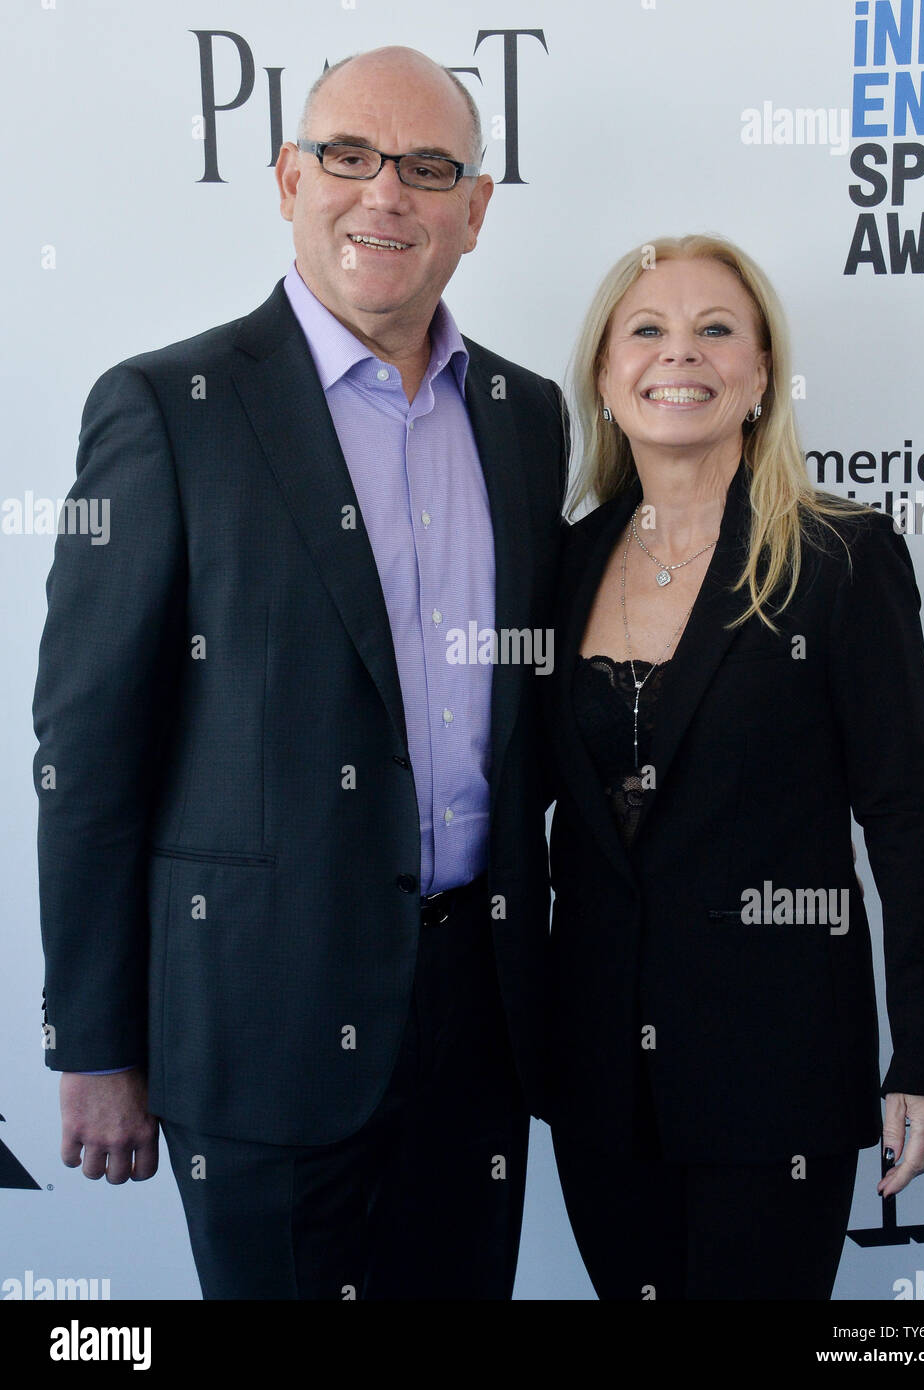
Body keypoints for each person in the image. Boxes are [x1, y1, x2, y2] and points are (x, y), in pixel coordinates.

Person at [32, 46, 567, 1300]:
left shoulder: (528, 414)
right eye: (349, 156)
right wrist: (96, 1044)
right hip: (256, 1024)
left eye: (429, 168)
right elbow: (87, 748)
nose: (385, 193)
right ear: (288, 177)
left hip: (477, 1021)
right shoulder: (170, 406)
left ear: (473, 210)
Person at [544, 234, 924, 1300]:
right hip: (599, 1072)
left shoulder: (838, 556)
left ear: (758, 374)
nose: (679, 354)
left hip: (776, 1067)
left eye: (715, 331)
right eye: (646, 330)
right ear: (606, 376)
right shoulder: (559, 562)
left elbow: (899, 815)